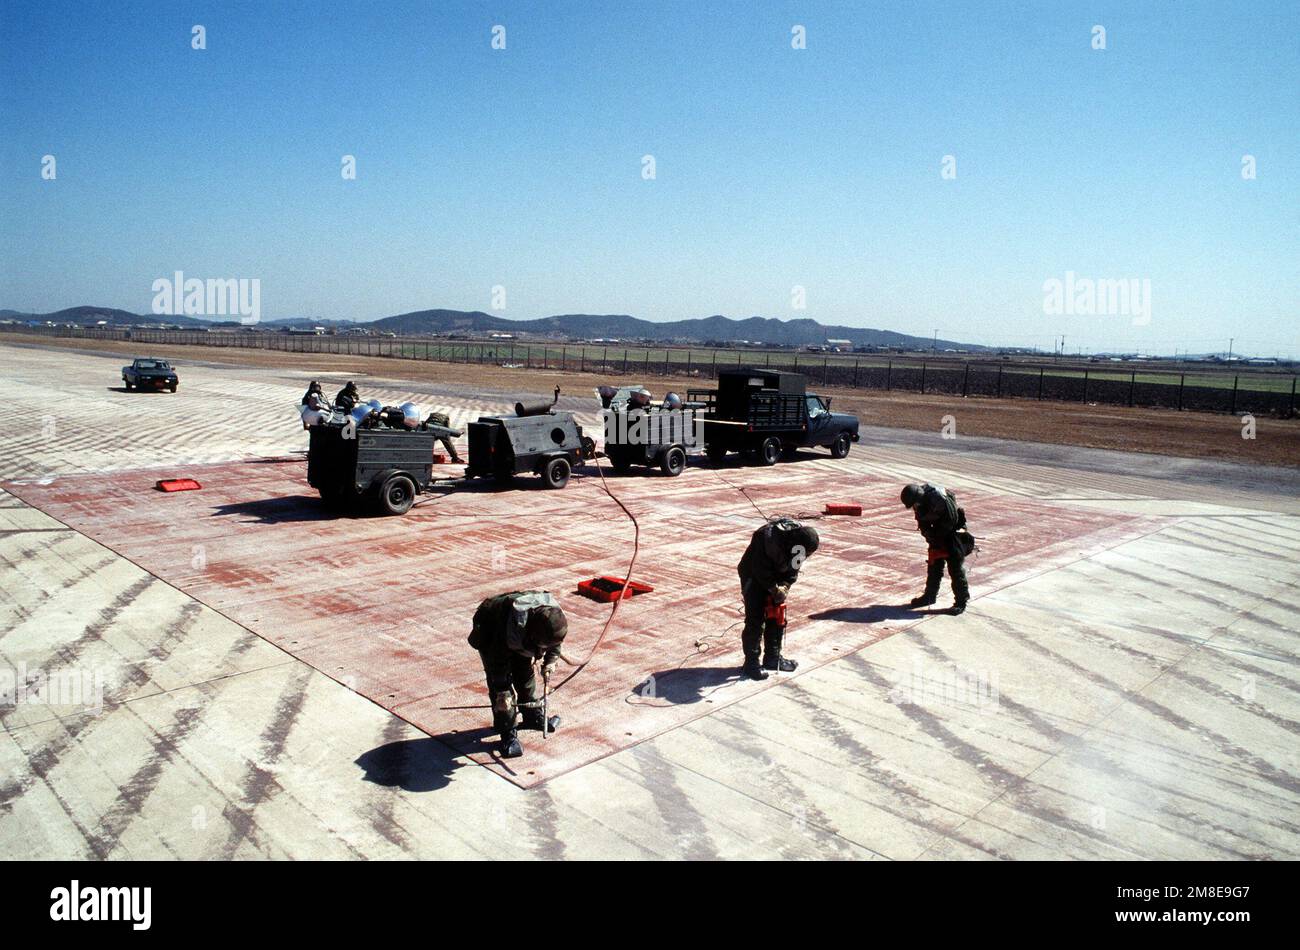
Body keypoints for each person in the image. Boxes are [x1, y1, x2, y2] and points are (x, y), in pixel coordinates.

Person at [468, 591, 566, 758]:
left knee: (525, 674)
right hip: (490, 630)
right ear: (532, 635)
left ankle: (532, 715)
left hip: (519, 633)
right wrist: (501, 692)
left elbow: (555, 641)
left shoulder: (553, 617)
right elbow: (497, 664)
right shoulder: (506, 629)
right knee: (502, 692)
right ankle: (507, 732)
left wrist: (551, 660)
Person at [736, 518, 820, 680]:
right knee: (756, 619)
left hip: (775, 576)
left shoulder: (800, 547)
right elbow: (759, 569)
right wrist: (773, 589)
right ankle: (751, 663)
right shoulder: (766, 538)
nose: (804, 556)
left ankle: (773, 658)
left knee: (777, 615)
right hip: (753, 575)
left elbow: (792, 571)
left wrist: (785, 587)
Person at [900, 482, 971, 614]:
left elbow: (951, 520)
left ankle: (961, 602)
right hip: (937, 532)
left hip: (952, 531)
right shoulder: (918, 501)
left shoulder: (938, 498)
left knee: (955, 567)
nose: (914, 507)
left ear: (919, 498)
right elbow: (922, 522)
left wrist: (938, 538)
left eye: (915, 504)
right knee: (934, 564)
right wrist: (930, 537)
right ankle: (930, 595)